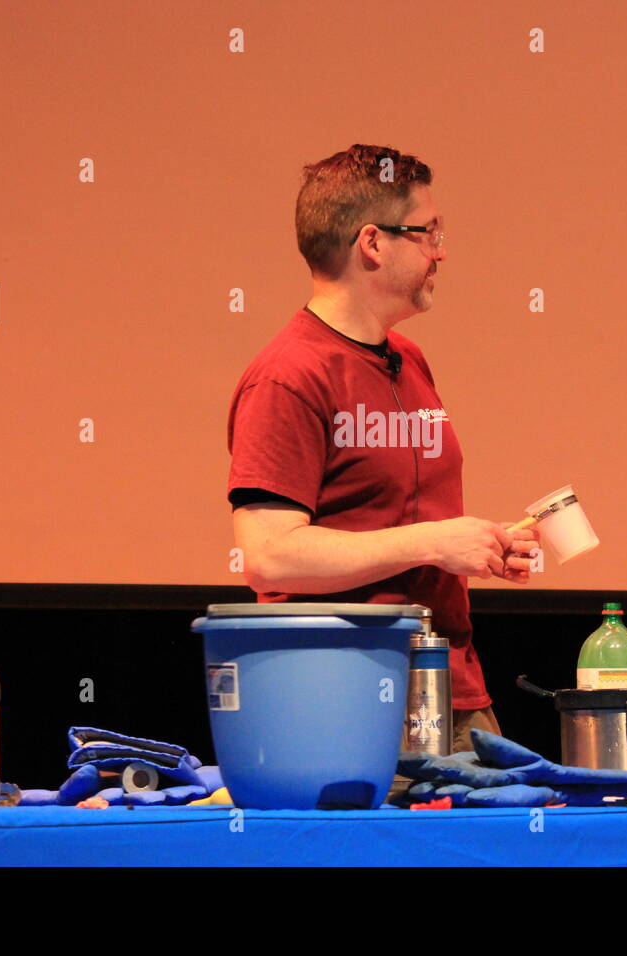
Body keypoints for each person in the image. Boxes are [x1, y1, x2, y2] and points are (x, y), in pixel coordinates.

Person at [226, 143, 538, 756]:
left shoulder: (408, 359)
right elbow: (268, 555)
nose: (441, 251)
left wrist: (473, 545)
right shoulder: (288, 376)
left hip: (451, 686)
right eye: (427, 233)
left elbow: (394, 518)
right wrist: (432, 541)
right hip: (348, 698)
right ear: (372, 243)